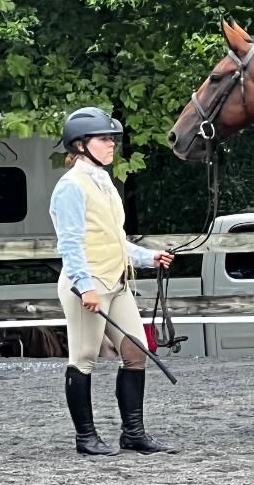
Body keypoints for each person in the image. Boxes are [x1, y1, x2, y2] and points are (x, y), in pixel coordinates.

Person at [49, 106, 178, 455]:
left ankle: (133, 432)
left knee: (137, 350)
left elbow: (113, 237)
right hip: (86, 285)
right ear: (79, 145)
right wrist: (85, 285)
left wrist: (147, 257)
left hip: (116, 282)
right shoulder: (70, 187)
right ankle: (85, 437)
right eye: (104, 139)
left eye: (111, 139)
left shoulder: (103, 180)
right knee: (84, 357)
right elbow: (71, 243)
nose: (111, 145)